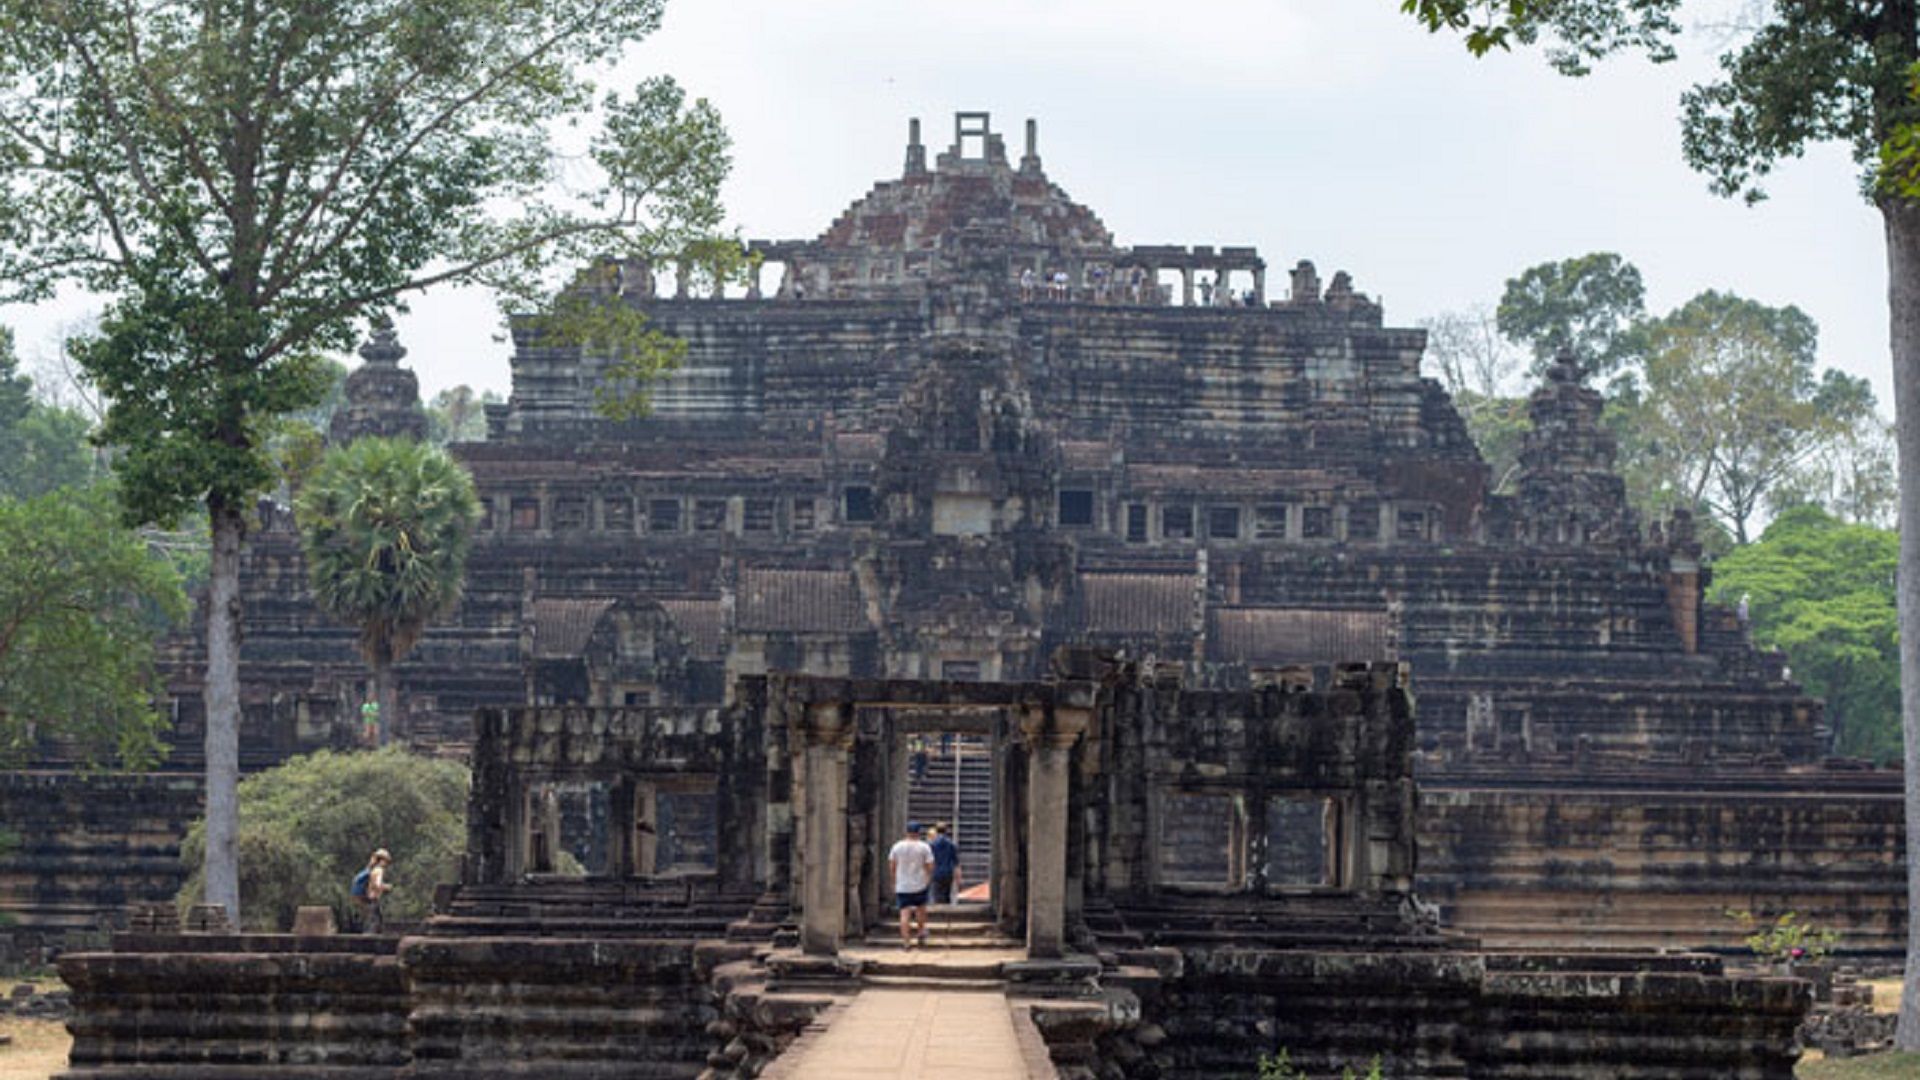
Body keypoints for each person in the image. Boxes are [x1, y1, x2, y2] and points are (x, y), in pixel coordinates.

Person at [887, 821, 935, 948]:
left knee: (904, 913)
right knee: (921, 911)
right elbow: (930, 866)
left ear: (906, 832)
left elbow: (892, 866)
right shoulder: (924, 847)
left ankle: (906, 941)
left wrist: (893, 881)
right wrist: (928, 878)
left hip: (902, 884)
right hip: (919, 883)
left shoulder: (897, 846)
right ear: (919, 832)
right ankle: (920, 933)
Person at [351, 848, 393, 934]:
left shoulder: (371, 870)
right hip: (373, 900)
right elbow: (377, 885)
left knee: (372, 922)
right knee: (373, 924)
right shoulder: (379, 870)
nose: (387, 864)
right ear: (382, 860)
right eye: (386, 861)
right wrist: (386, 887)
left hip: (369, 900)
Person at [929, 822, 961, 905]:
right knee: (947, 895)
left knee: (937, 895)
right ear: (946, 831)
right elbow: (956, 862)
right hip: (948, 872)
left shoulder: (932, 844)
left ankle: (939, 913)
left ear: (936, 830)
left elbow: (930, 861)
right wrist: (958, 877)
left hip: (936, 872)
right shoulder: (951, 844)